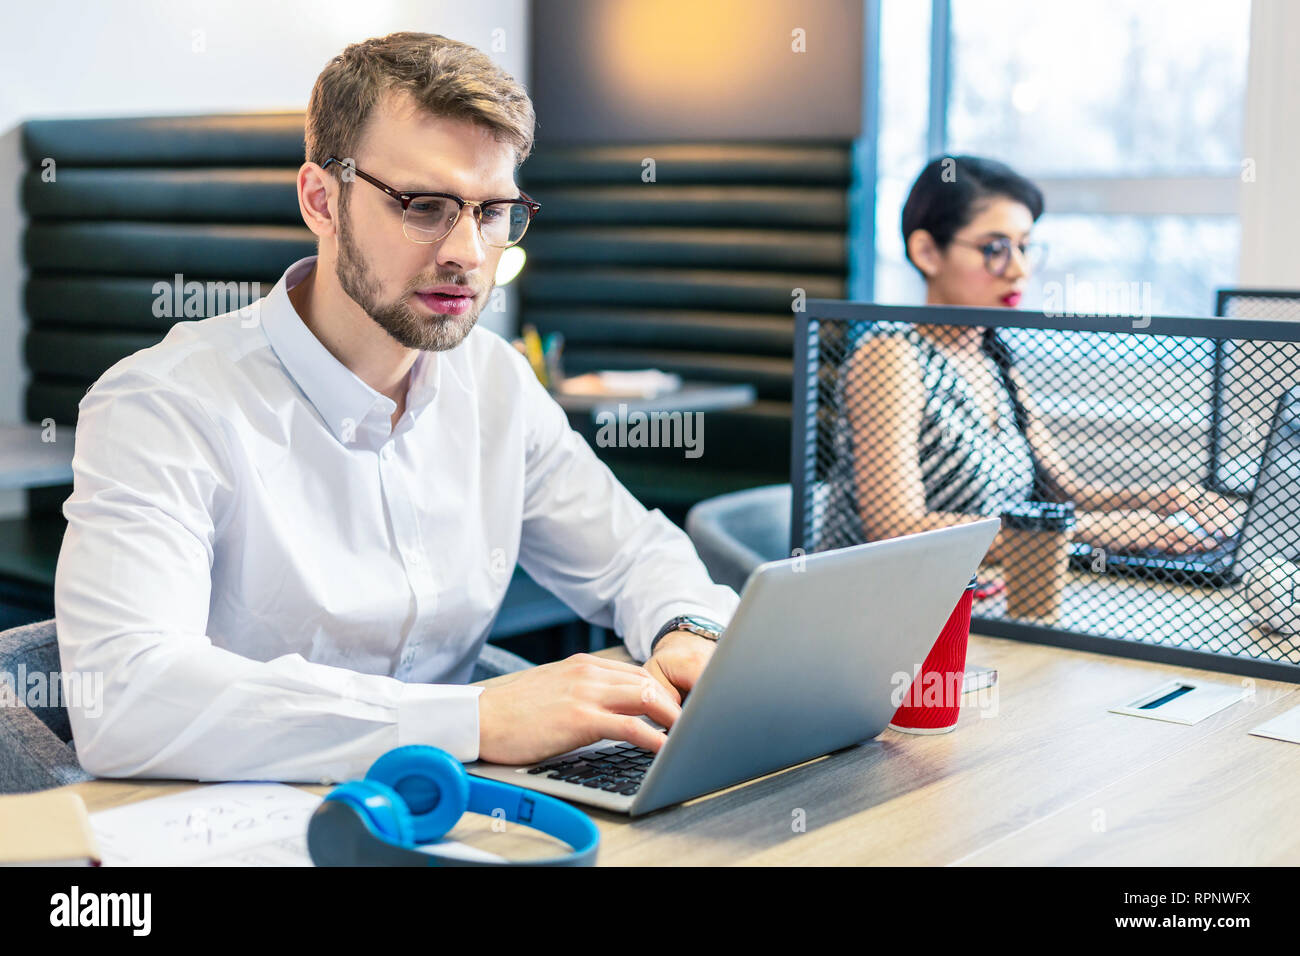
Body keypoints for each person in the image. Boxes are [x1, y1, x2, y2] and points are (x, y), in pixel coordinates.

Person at [53, 32, 737, 784]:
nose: (469, 254)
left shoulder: (495, 383)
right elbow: (128, 699)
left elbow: (636, 556)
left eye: (493, 211)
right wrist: (475, 720)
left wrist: (688, 629)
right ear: (322, 200)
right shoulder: (164, 403)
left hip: (459, 811)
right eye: (425, 206)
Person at [817, 155, 1241, 562]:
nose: (1019, 270)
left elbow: (1064, 493)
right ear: (927, 252)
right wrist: (1091, 530)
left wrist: (1162, 502)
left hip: (972, 596)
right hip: (887, 610)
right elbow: (897, 530)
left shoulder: (992, 357)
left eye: (1024, 247)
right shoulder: (892, 358)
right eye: (995, 248)